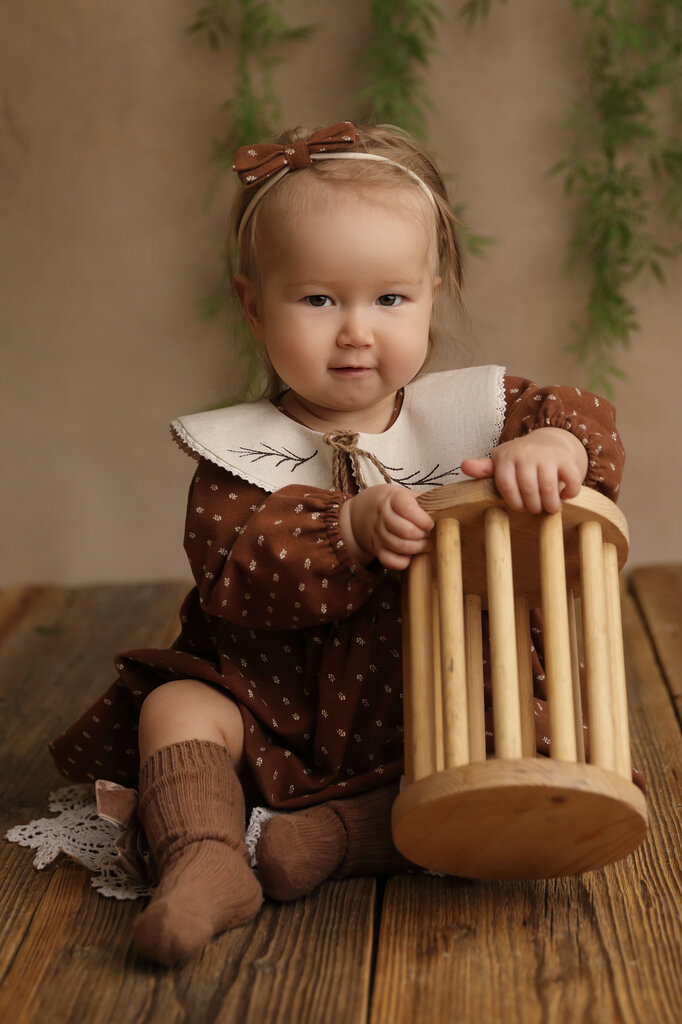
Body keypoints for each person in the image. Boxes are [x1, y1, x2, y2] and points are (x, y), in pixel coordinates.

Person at [49, 121, 626, 964]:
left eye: (390, 299)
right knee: (176, 707)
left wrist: (555, 448)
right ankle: (202, 861)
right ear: (255, 304)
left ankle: (330, 842)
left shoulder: (471, 414)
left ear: (432, 293)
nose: (356, 330)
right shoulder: (236, 452)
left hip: (432, 703)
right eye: (319, 299)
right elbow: (233, 569)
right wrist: (343, 529)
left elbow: (581, 412)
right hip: (274, 709)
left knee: (495, 755)